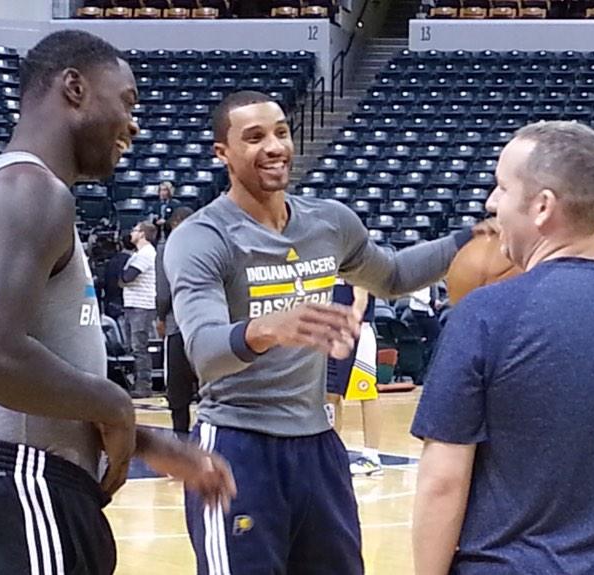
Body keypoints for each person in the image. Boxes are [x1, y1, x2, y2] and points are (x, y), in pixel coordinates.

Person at [0, 30, 234, 574]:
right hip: (23, 492)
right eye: (127, 101)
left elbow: (27, 384)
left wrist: (141, 440)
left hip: (20, 490)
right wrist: (114, 405)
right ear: (74, 87)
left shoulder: (20, 188)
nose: (133, 124)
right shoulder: (32, 190)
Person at [165, 90, 487, 574]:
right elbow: (205, 352)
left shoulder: (329, 222)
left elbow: (393, 276)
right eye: (253, 138)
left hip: (318, 445)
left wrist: (470, 238)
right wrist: (267, 327)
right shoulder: (203, 238)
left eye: (280, 132)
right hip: (237, 447)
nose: (274, 146)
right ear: (222, 154)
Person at [410, 121, 594, 575]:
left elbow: (443, 480)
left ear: (542, 206)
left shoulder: (485, 316)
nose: (491, 203)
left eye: (502, 188)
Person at [325, 279, 383, 477]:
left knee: (366, 392)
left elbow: (361, 299)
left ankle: (372, 456)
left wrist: (349, 328)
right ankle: (332, 453)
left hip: (357, 331)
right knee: (330, 394)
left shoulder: (355, 258)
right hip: (332, 331)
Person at [155, 206, 198, 435]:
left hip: (178, 323)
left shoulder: (167, 247)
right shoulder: (209, 243)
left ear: (174, 224)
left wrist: (160, 317)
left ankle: (181, 439)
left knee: (178, 391)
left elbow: (164, 290)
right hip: (208, 323)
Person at [120, 221, 158, 398]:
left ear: (142, 234)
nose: (131, 233)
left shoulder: (146, 253)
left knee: (139, 347)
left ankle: (144, 385)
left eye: (134, 230)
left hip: (142, 306)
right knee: (133, 347)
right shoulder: (139, 253)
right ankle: (138, 382)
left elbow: (127, 277)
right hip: (133, 304)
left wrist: (122, 279)